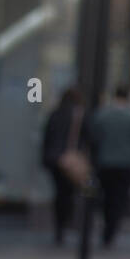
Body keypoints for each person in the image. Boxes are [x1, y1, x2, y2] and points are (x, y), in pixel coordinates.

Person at [88, 85, 130, 248]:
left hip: (105, 163)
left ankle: (107, 226)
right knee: (119, 198)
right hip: (125, 164)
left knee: (106, 196)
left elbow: (93, 138)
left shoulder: (103, 114)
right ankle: (111, 228)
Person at [41, 87, 88, 246]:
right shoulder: (79, 115)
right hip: (70, 160)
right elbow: (85, 139)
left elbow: (47, 138)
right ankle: (66, 222)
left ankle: (59, 227)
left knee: (60, 193)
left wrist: (46, 159)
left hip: (55, 160)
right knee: (69, 193)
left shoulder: (55, 114)